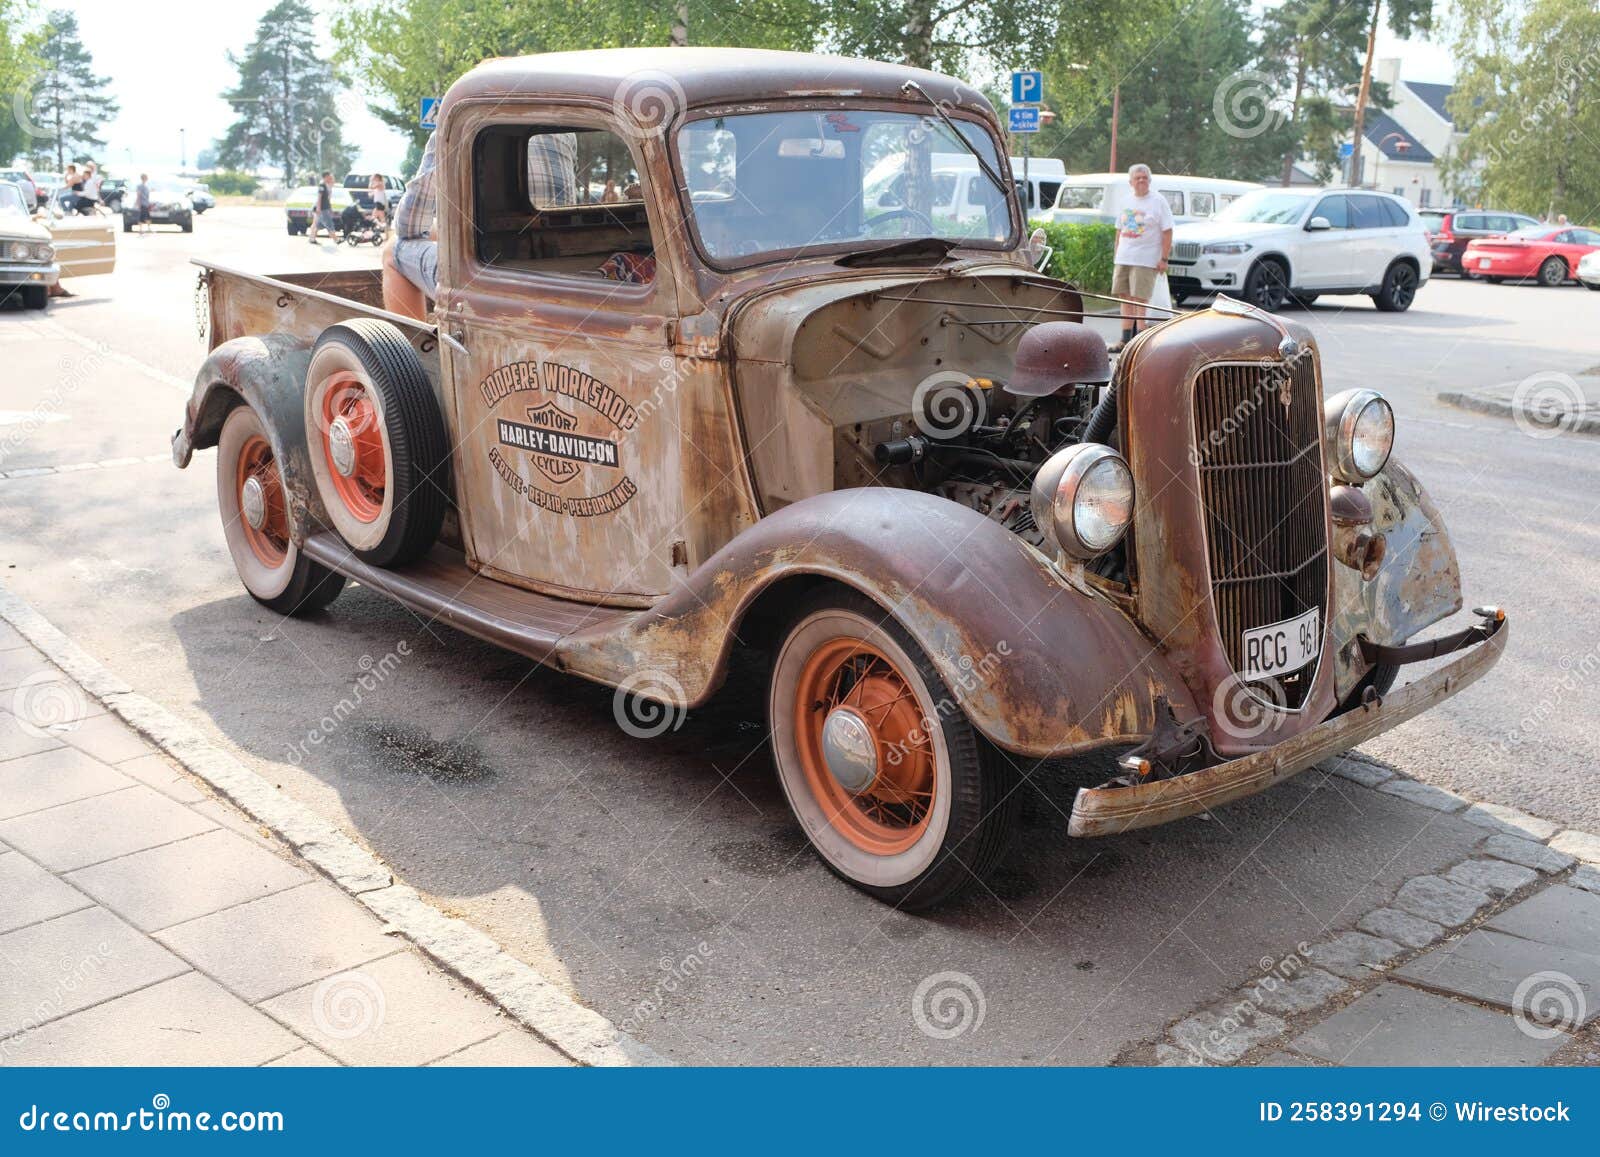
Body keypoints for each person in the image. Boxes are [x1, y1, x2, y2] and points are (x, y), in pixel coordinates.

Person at [1108, 163, 1173, 353]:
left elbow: (1167, 231)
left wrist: (1164, 258)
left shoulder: (1158, 201)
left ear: (1150, 181)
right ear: (1131, 182)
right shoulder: (1125, 200)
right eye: (1138, 178)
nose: (1141, 181)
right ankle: (1125, 340)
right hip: (1124, 257)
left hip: (1146, 259)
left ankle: (1139, 341)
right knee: (1125, 297)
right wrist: (1116, 254)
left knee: (1140, 298)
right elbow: (1119, 230)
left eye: (1145, 178)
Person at [384, 132, 438, 319]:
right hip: (533, 275)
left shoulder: (459, 115)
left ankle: (414, 345)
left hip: (490, 276)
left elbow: (409, 227)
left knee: (393, 250)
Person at [309, 171, 338, 244]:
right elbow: (319, 197)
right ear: (326, 177)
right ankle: (336, 239)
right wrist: (318, 208)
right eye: (330, 178)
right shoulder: (322, 185)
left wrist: (330, 208)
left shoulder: (327, 186)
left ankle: (312, 238)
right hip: (319, 208)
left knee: (316, 224)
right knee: (325, 223)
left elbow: (327, 200)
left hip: (323, 207)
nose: (332, 179)